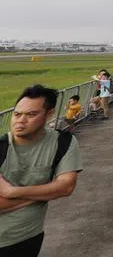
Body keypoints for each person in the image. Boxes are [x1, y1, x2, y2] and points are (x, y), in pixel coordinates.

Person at [0, 86, 82, 256]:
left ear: (49, 114)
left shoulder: (63, 142)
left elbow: (66, 187)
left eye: (31, 115)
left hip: (28, 237)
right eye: (17, 114)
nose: (20, 120)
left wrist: (12, 191)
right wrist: (45, 192)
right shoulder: (1, 147)